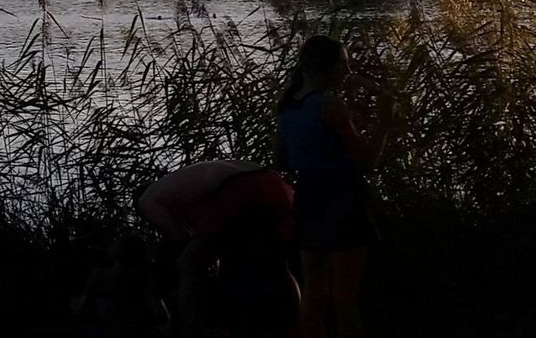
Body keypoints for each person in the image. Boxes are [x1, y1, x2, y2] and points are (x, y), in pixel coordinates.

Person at [276, 36, 398, 338]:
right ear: (327, 67)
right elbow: (368, 160)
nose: (348, 69)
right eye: (343, 63)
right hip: (341, 197)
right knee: (346, 297)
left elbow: (281, 159)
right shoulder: (329, 104)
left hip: (308, 197)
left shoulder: (287, 106)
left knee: (313, 291)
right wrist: (385, 120)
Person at [138, 159, 298, 337]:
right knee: (277, 264)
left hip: (239, 188)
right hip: (276, 185)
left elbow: (177, 237)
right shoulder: (180, 188)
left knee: (191, 263)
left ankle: (195, 328)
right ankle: (295, 323)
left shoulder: (146, 201)